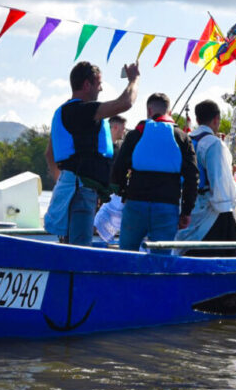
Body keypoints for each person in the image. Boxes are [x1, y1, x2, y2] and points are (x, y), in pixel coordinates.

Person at [44, 61, 140, 246]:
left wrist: (65, 181)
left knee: (71, 244)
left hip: (74, 187)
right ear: (87, 85)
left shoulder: (65, 111)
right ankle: (75, 275)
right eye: (98, 84)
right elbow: (125, 103)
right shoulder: (80, 110)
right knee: (80, 247)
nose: (101, 89)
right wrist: (134, 80)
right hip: (81, 190)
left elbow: (50, 154)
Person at [112, 93, 198, 252]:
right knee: (161, 260)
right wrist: (186, 211)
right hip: (167, 207)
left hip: (136, 204)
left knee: (126, 255)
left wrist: (123, 191)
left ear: (149, 111)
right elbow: (192, 178)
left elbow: (118, 169)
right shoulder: (183, 138)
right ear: (169, 112)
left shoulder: (136, 134)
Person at [174, 100, 236, 255]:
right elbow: (221, 187)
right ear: (217, 119)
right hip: (212, 212)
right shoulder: (214, 144)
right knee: (230, 253)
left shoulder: (185, 140)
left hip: (189, 206)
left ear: (197, 120)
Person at [93, 116, 129, 243]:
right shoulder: (99, 147)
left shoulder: (122, 149)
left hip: (114, 196)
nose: (124, 132)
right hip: (99, 194)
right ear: (115, 128)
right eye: (123, 129)